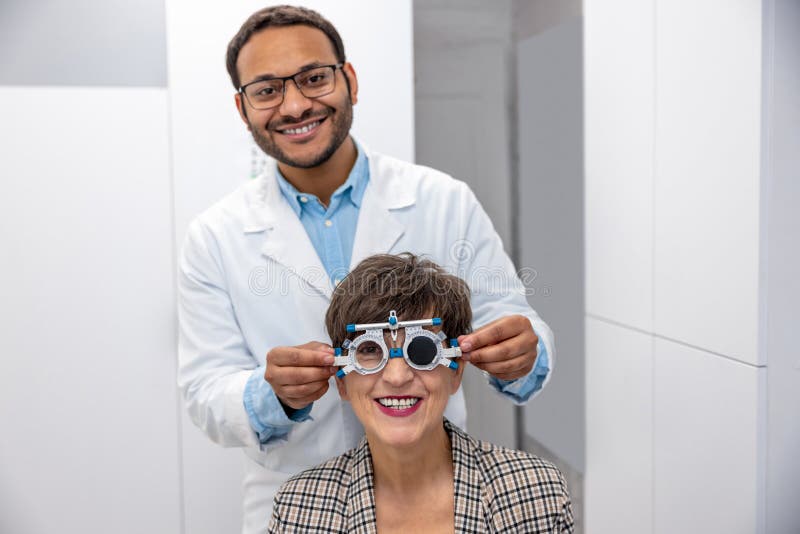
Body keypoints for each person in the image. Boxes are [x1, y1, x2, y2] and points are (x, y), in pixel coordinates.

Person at [178, 5, 555, 533]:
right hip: (298, 500)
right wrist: (273, 395)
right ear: (243, 109)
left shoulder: (442, 200)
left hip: (438, 493)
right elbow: (204, 392)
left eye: (313, 78)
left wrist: (522, 353)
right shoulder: (214, 238)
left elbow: (514, 322)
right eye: (267, 90)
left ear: (348, 80)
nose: (294, 104)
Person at [269, 253, 573, 533]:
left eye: (422, 349)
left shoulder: (535, 495)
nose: (397, 376)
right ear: (341, 380)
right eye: (370, 349)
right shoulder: (298, 511)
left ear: (456, 371)